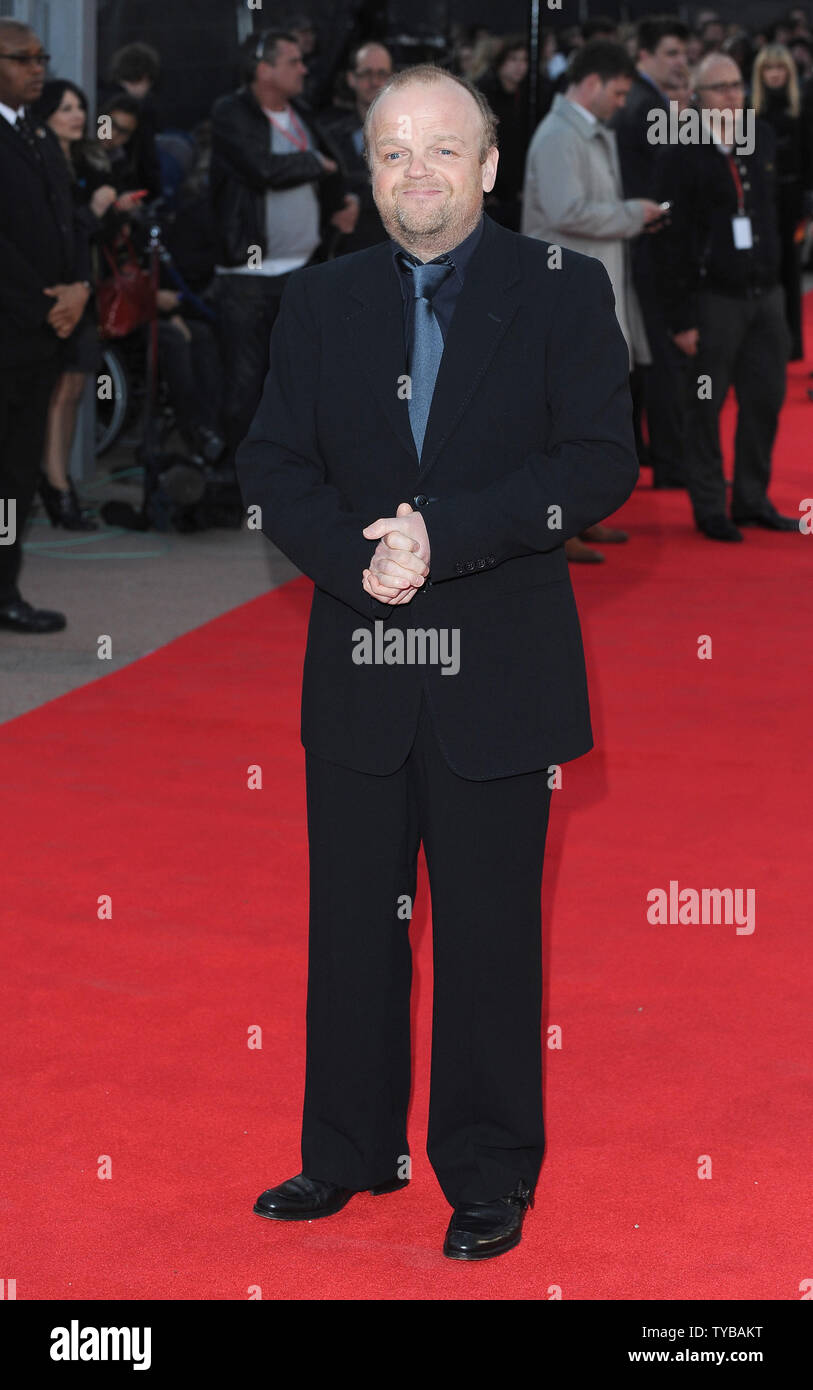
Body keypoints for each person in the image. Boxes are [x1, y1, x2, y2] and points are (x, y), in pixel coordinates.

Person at [236, 64, 638, 1260]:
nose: (420, 173)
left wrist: (442, 535)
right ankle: (348, 1152)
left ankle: (487, 1168)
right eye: (395, 153)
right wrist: (357, 562)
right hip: (360, 662)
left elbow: (602, 460)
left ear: (491, 165)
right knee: (353, 924)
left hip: (499, 669)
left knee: (488, 932)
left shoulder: (561, 290)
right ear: (368, 172)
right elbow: (273, 468)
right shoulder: (321, 303)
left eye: (443, 150)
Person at [652, 53, 800, 539]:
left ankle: (752, 499)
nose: (734, 95)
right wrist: (680, 318)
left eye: (738, 85)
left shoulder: (761, 138)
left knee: (766, 399)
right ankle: (710, 505)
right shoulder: (680, 152)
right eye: (721, 87)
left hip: (766, 294)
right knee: (706, 404)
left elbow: (776, 210)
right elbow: (669, 242)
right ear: (697, 97)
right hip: (712, 299)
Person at [522, 39, 658, 562]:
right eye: (620, 92)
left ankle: (580, 515)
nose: (624, 103)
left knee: (586, 415)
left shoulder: (588, 133)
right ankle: (559, 527)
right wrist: (633, 214)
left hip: (587, 293)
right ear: (593, 83)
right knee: (562, 419)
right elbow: (566, 210)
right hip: (561, 301)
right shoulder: (559, 135)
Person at [210, 27, 357, 468]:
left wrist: (341, 200)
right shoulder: (231, 113)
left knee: (303, 384)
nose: (304, 69)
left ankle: (293, 477)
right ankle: (242, 487)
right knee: (245, 387)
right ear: (264, 69)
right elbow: (261, 169)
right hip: (249, 279)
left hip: (303, 272)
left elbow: (333, 171)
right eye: (293, 61)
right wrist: (316, 163)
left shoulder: (302, 114)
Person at [0, 19, 92, 633]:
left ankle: (4, 588)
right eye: (21, 58)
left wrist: (81, 288)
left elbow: (69, 220)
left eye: (41, 58)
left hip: (41, 334)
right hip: (12, 326)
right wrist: (43, 303)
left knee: (15, 470)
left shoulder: (34, 131)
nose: (37, 68)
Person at [30, 79, 115, 531]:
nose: (77, 115)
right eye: (65, 108)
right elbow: (53, 232)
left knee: (76, 389)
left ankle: (58, 478)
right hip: (54, 293)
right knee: (56, 392)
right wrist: (95, 211)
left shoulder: (84, 160)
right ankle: (56, 483)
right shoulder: (37, 164)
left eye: (80, 107)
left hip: (87, 288)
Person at [612, 15, 690, 490]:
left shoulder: (651, 102)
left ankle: (658, 455)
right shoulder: (645, 107)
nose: (681, 61)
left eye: (684, 52)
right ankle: (670, 461)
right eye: (670, 53)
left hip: (647, 240)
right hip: (652, 243)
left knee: (655, 356)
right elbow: (668, 178)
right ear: (643, 56)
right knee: (662, 356)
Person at [751, 43, 813, 359]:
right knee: (762, 273)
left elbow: (807, 157)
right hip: (758, 204)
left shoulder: (799, 109)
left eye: (780, 68)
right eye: (769, 69)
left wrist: (806, 200)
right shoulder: (749, 110)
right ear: (760, 73)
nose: (775, 74)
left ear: (788, 72)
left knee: (789, 272)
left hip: (790, 204)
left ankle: (791, 344)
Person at [318, 41, 393, 253]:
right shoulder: (330, 134)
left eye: (382, 74)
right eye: (366, 73)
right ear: (351, 79)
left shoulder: (413, 132)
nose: (374, 81)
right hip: (349, 248)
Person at [475, 35, 530, 231]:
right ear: (501, 62)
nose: (520, 66)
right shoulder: (483, 93)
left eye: (524, 60)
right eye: (514, 59)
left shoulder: (529, 93)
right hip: (492, 193)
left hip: (517, 191)